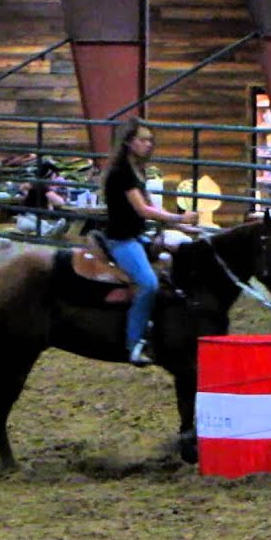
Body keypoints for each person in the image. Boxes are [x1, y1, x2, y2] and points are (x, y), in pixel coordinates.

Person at [103, 118, 198, 366]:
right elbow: (143, 209)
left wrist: (180, 225)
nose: (148, 144)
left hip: (137, 236)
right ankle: (133, 344)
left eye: (150, 140)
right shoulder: (122, 172)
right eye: (142, 139)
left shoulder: (137, 170)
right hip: (122, 239)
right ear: (128, 142)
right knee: (148, 283)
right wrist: (179, 217)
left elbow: (150, 208)